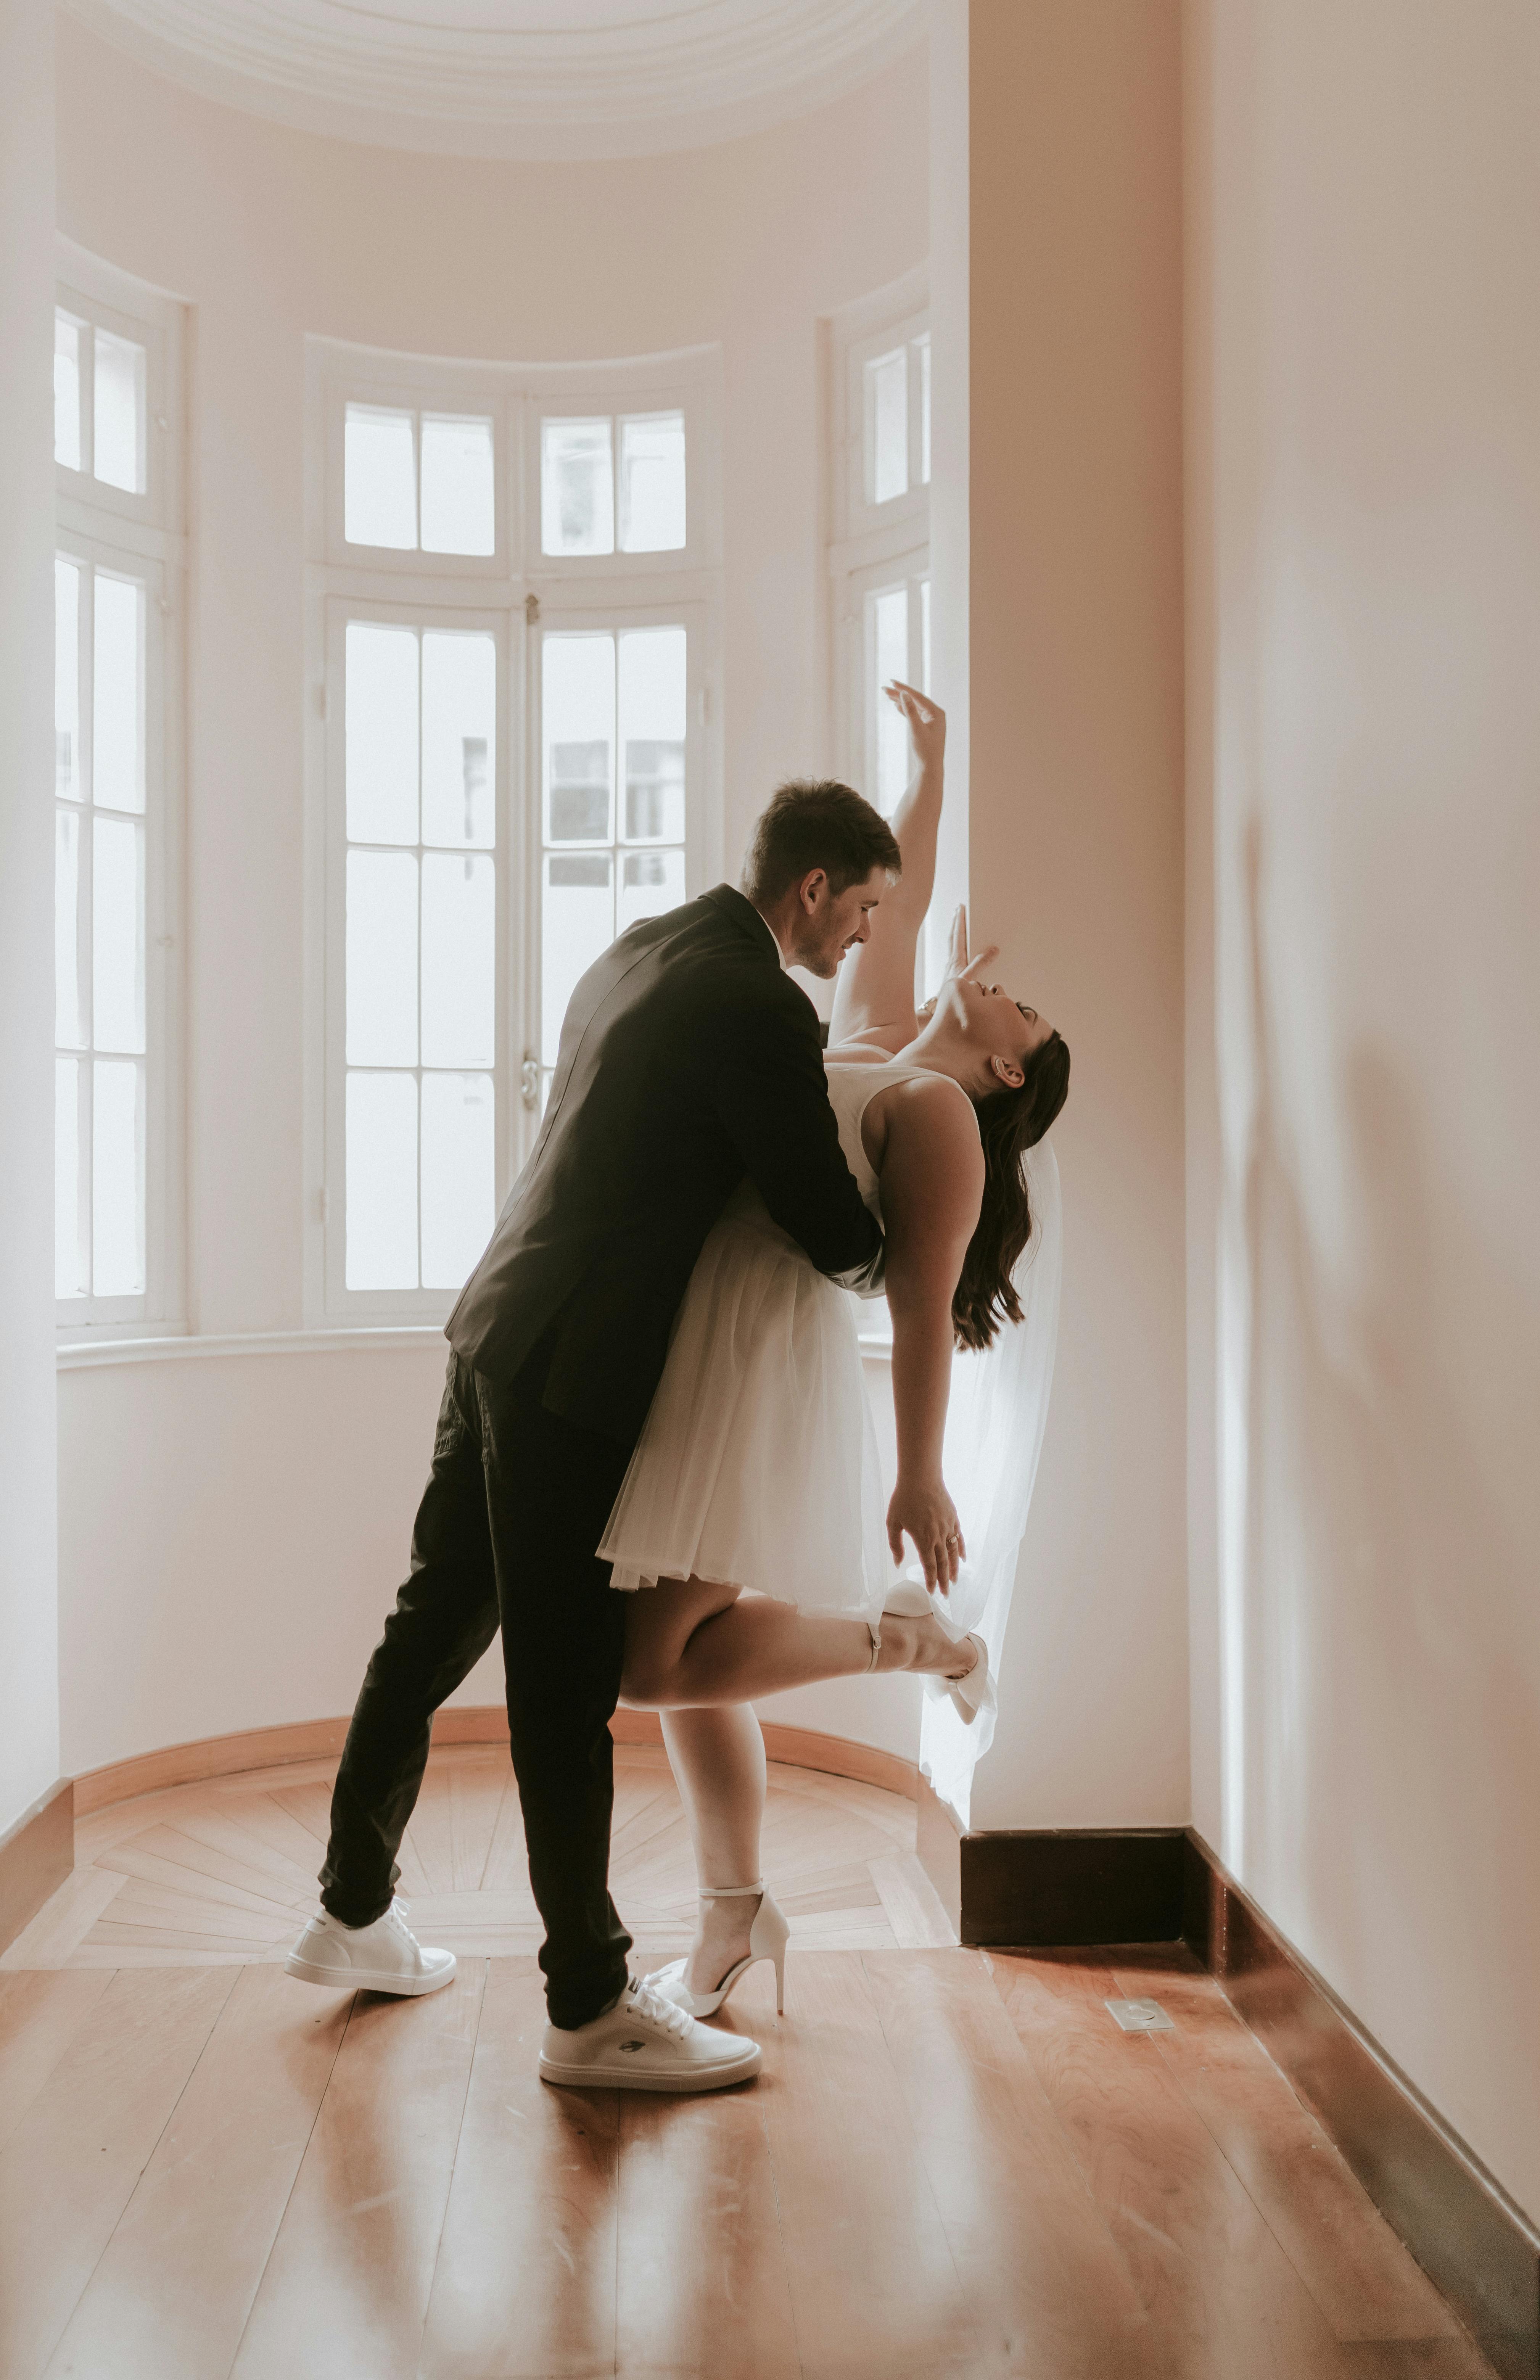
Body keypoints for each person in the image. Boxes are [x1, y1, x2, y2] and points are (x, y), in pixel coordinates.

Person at [285, 776, 906, 2096]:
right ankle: (588, 2006)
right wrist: (930, 1205)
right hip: (571, 1369)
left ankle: (351, 1910)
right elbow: (832, 1227)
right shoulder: (758, 1005)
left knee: (436, 1621)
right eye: (860, 910)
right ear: (813, 889)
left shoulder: (641, 946)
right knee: (565, 1684)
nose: (858, 939)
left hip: (496, 1322)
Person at [599, 684, 1070, 2016]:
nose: (1003, 991)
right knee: (675, 1662)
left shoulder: (941, 1117)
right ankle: (737, 1916)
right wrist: (929, 771)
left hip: (752, 1362)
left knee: (651, 1661)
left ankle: (917, 1645)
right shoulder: (872, 1035)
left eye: (1023, 1012)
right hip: (701, 1332)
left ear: (1013, 1074)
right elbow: (892, 900)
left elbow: (922, 1305)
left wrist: (916, 1477)